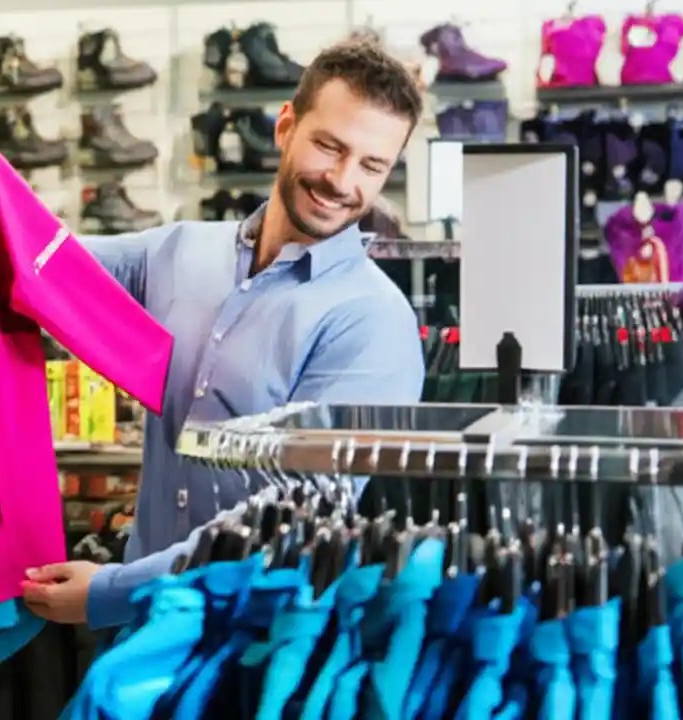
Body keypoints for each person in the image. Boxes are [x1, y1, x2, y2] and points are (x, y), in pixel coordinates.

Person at [22, 39, 427, 628]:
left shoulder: (374, 324)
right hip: (149, 637)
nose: (343, 181)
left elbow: (299, 520)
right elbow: (31, 255)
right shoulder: (177, 252)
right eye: (329, 146)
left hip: (257, 643)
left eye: (372, 165)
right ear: (286, 125)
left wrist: (116, 590)